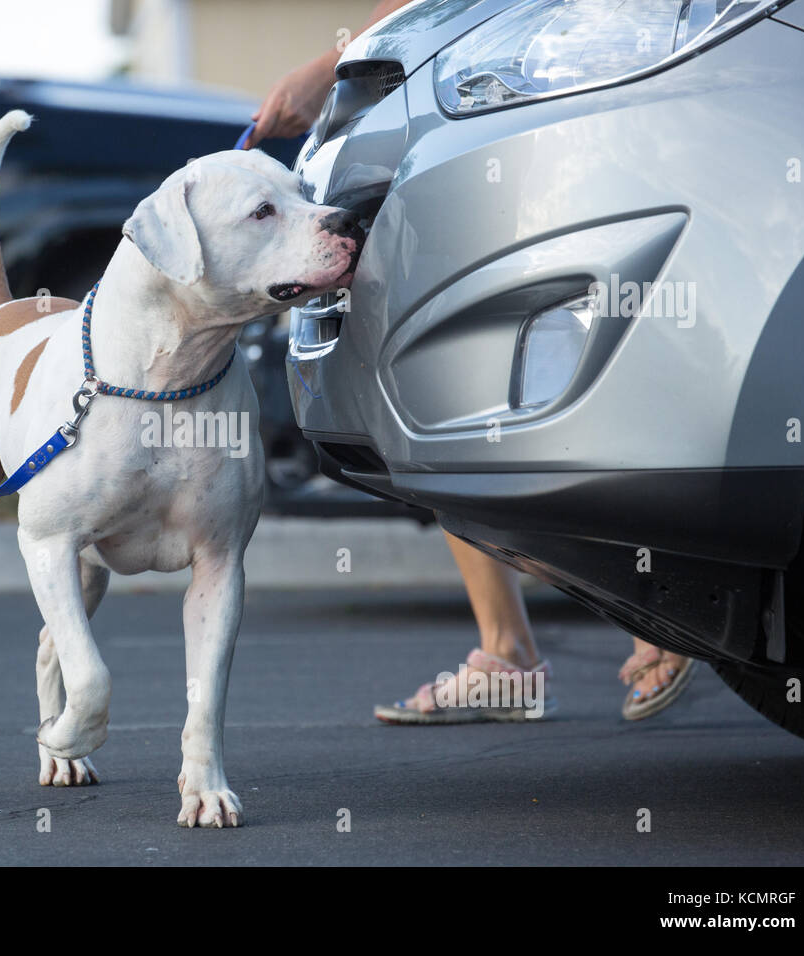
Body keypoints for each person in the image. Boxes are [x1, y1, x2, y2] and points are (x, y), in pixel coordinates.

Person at [246, 0, 696, 722]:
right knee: (447, 383)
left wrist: (322, 69)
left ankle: (671, 604)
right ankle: (512, 650)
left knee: (569, 356)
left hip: (570, 109)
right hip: (467, 122)